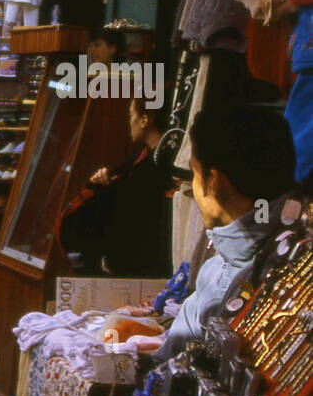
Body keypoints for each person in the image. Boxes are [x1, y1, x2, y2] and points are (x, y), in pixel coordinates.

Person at [155, 105, 296, 360]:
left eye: (195, 174)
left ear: (215, 182)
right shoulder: (271, 238)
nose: (193, 189)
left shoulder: (243, 274)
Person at [61, 96, 174, 276]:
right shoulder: (144, 160)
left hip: (142, 271)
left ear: (144, 120)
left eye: (131, 115)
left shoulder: (150, 168)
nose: (129, 121)